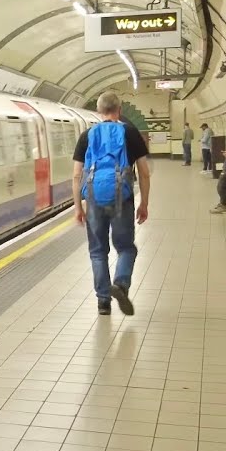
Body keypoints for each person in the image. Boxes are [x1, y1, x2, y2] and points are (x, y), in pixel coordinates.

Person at [72, 92, 150, 316]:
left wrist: (79, 207)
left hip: (94, 199)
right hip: (122, 198)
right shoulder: (130, 133)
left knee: (98, 251)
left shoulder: (87, 135)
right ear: (120, 110)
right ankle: (121, 284)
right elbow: (144, 173)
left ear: (98, 111)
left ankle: (103, 302)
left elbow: (77, 176)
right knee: (126, 248)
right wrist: (144, 203)